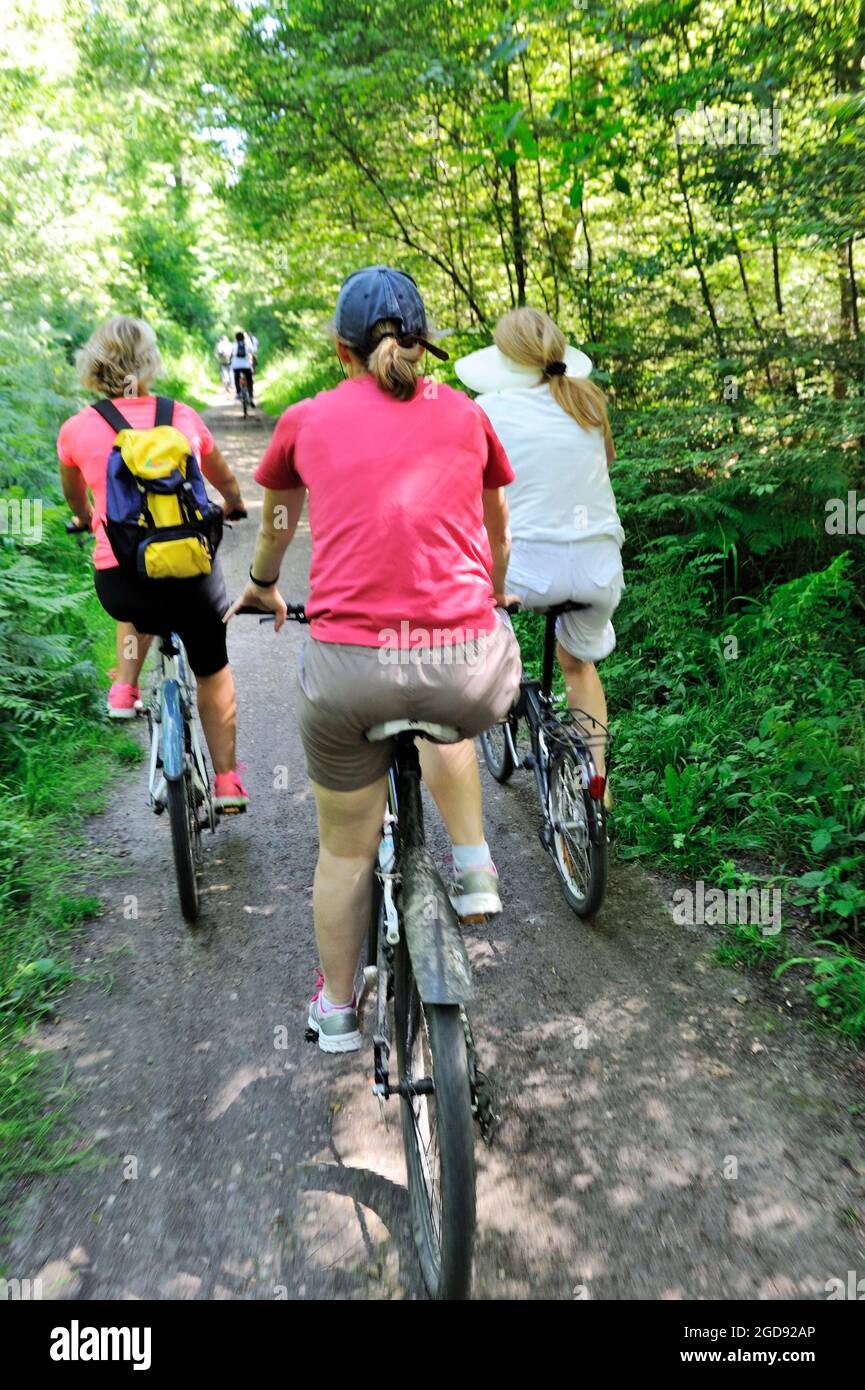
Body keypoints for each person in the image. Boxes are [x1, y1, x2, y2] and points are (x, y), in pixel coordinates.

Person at [227, 265, 522, 1052]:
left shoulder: (307, 418)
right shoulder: (466, 414)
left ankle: (334, 1011)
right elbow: (496, 530)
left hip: (349, 675)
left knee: (344, 849)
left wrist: (262, 586)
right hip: (466, 666)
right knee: (445, 719)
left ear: (339, 348)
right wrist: (487, 599)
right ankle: (475, 868)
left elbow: (278, 525)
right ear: (423, 343)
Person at [57, 315, 250, 811]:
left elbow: (77, 501)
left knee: (137, 594)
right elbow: (222, 478)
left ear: (93, 366)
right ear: (149, 363)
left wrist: (84, 521)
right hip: (193, 577)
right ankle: (228, 783)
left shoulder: (77, 429)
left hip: (121, 581)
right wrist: (233, 503)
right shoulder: (181, 416)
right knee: (212, 669)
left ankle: (123, 690)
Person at [455, 306, 624, 784]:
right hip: (599, 568)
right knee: (578, 665)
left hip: (528, 569)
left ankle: (500, 684)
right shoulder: (588, 400)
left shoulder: (486, 409)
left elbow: (472, 490)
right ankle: (598, 785)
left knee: (485, 607)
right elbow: (601, 463)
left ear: (504, 359)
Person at [230, 331, 255, 405]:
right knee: (249, 380)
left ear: (236, 338)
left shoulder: (233, 345)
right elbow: (252, 353)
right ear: (244, 338)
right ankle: (250, 396)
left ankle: (238, 393)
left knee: (236, 378)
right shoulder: (248, 344)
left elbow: (230, 355)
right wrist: (254, 361)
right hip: (246, 366)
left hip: (236, 366)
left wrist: (230, 361)